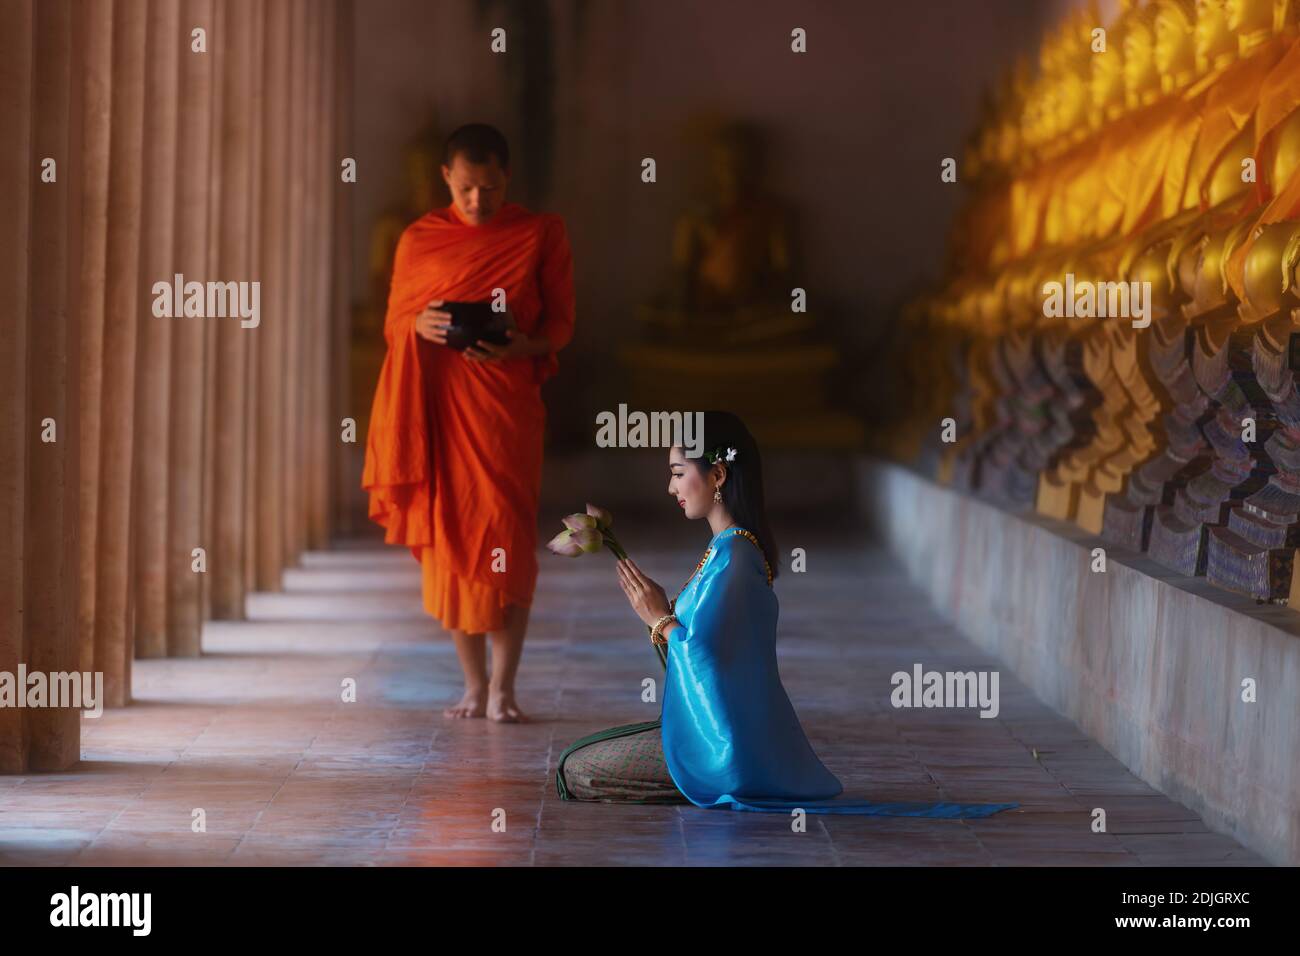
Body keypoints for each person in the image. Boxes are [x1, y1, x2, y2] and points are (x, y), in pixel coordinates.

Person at [556, 411, 1019, 818]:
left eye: (679, 473)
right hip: (717, 729)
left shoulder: (735, 557)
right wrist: (661, 620)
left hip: (727, 745)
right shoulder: (728, 550)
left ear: (717, 474)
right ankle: (698, 777)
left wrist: (659, 618)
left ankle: (711, 783)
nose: (671, 486)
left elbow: (708, 662)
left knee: (579, 770)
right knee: (584, 756)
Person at [362, 123, 575, 723]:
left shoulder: (539, 233)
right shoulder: (419, 238)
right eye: (467, 189)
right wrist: (416, 328)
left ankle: (505, 687)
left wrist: (522, 347)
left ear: (507, 178)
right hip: (439, 406)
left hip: (505, 408)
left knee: (505, 537)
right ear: (446, 179)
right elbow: (395, 321)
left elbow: (561, 324)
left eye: (491, 187)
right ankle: (473, 686)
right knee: (454, 538)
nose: (479, 200)